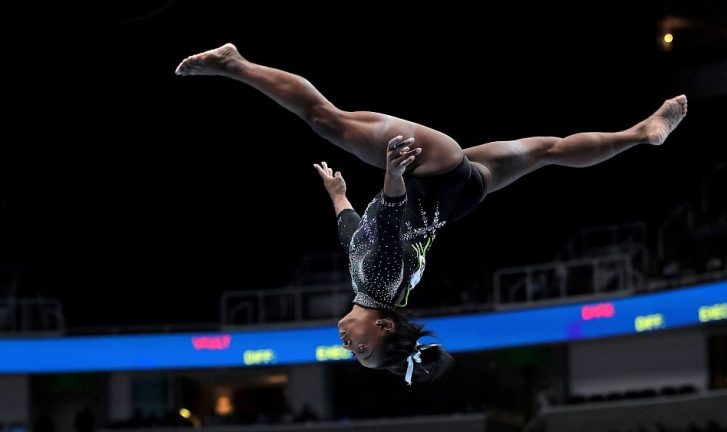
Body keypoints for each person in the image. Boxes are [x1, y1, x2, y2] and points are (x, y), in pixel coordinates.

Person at [175, 43, 688, 384]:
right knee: (323, 119)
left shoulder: (375, 288)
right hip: (429, 174)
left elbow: (355, 235)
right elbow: (391, 223)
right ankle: (234, 63)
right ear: (382, 330)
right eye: (361, 350)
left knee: (547, 151)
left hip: (457, 198)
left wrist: (338, 195)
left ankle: (642, 133)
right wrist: (394, 175)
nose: (348, 343)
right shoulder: (379, 283)